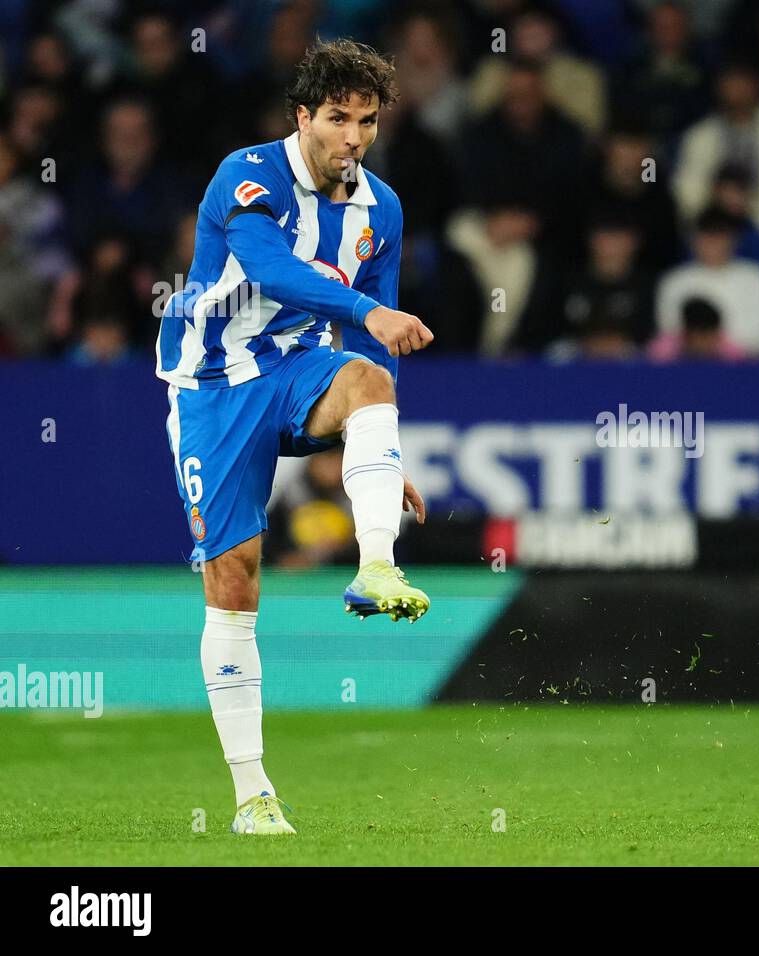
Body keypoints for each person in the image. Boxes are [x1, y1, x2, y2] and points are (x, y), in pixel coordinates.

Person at [154, 39, 435, 836]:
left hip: (301, 367)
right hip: (213, 387)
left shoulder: (382, 208)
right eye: (338, 119)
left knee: (370, 383)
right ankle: (252, 796)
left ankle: (376, 565)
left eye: (368, 121)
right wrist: (367, 311)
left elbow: (371, 353)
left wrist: (380, 443)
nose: (353, 137)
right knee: (235, 580)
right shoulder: (245, 175)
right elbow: (273, 270)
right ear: (303, 117)